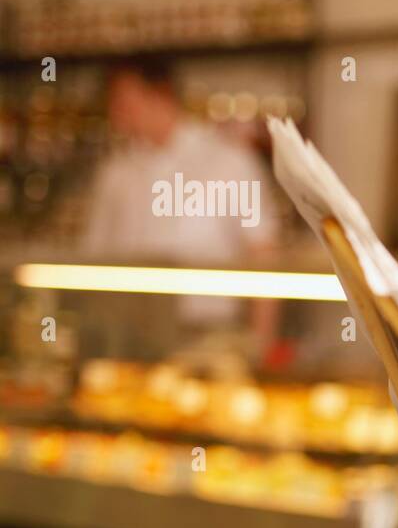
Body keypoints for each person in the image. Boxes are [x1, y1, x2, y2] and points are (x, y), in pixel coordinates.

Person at [80, 57, 280, 349]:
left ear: (161, 93)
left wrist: (260, 344)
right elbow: (93, 258)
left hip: (208, 333)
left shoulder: (228, 162)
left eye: (123, 100)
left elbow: (264, 254)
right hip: (128, 334)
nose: (116, 113)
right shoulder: (115, 172)